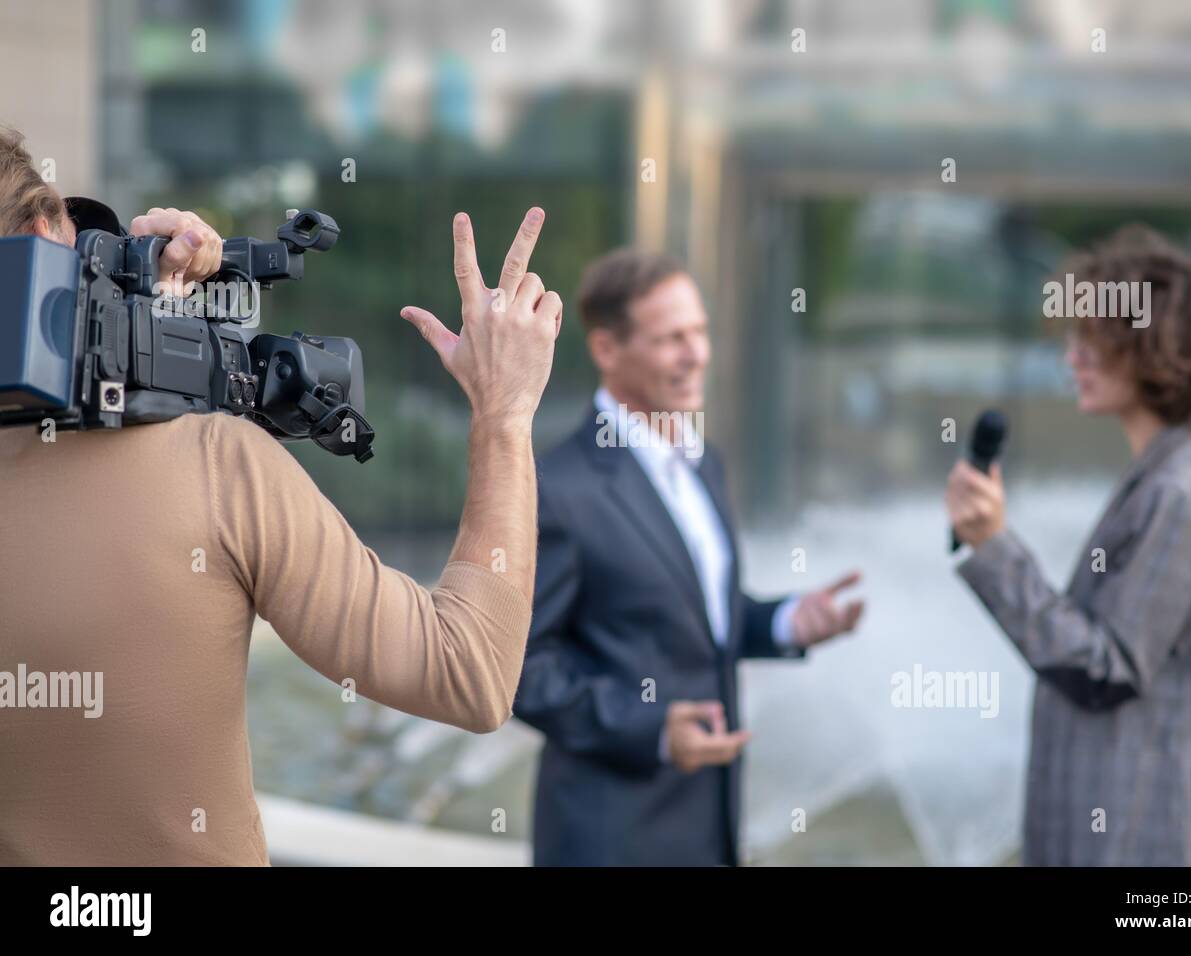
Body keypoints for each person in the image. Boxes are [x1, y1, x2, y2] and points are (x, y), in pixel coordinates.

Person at [0, 125, 562, 864]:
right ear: (43, 238)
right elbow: (471, 673)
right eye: (86, 251)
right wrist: (505, 413)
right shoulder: (217, 466)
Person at [512, 248, 864, 866]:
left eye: (699, 332)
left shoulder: (707, 463)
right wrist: (649, 731)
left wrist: (786, 622)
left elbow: (699, 622)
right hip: (608, 838)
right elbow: (518, 668)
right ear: (607, 349)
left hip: (709, 829)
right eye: (672, 338)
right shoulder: (557, 486)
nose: (697, 353)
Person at [945, 225, 1191, 866]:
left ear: (1155, 348)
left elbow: (1103, 668)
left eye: (1094, 339)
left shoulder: (1182, 489)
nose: (1073, 358)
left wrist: (994, 548)